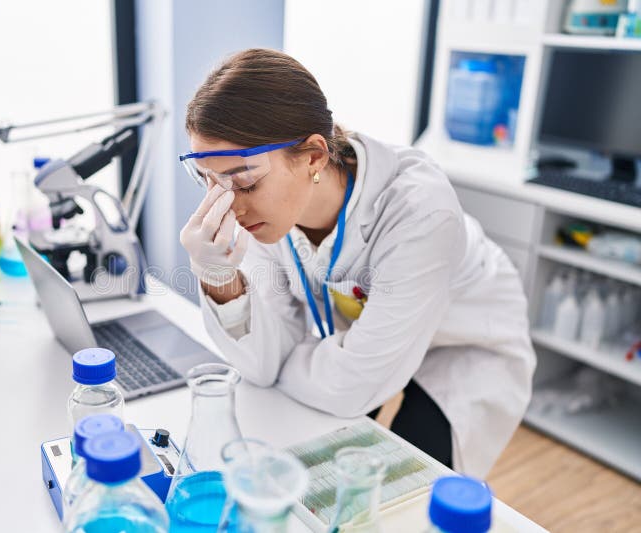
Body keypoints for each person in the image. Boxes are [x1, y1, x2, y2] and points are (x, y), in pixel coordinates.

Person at [178, 48, 535, 477]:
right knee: (329, 466)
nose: (229, 208)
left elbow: (348, 389)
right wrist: (219, 277)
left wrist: (309, 361)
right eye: (210, 182)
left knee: (413, 479)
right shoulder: (267, 216)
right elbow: (260, 366)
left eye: (245, 182)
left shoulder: (421, 211)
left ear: (313, 156)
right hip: (363, 334)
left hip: (466, 339)